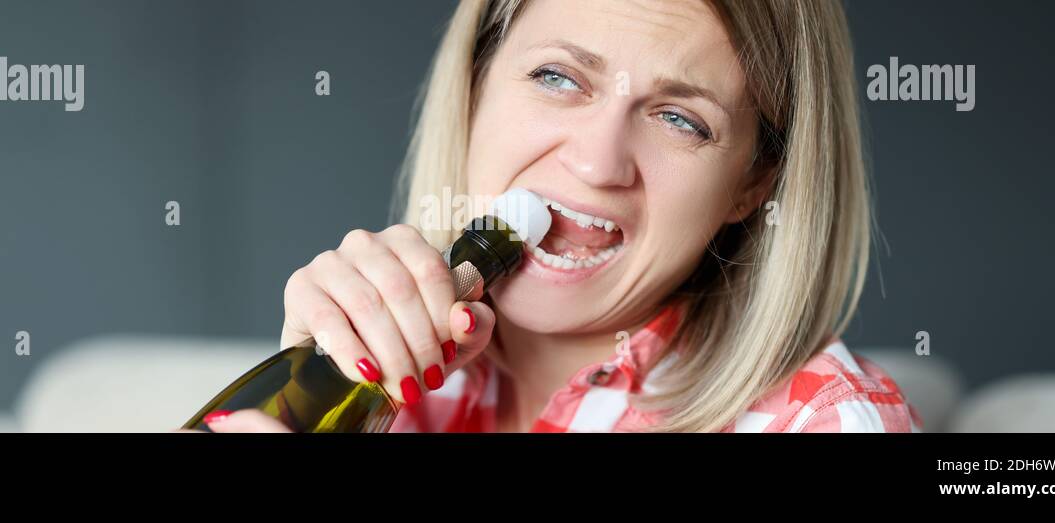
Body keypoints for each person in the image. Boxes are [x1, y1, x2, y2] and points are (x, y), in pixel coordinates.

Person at [201, 0, 922, 433]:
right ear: (475, 85)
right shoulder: (396, 385)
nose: (599, 161)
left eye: (681, 118)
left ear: (753, 182)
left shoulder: (822, 422)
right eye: (557, 77)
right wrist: (304, 386)